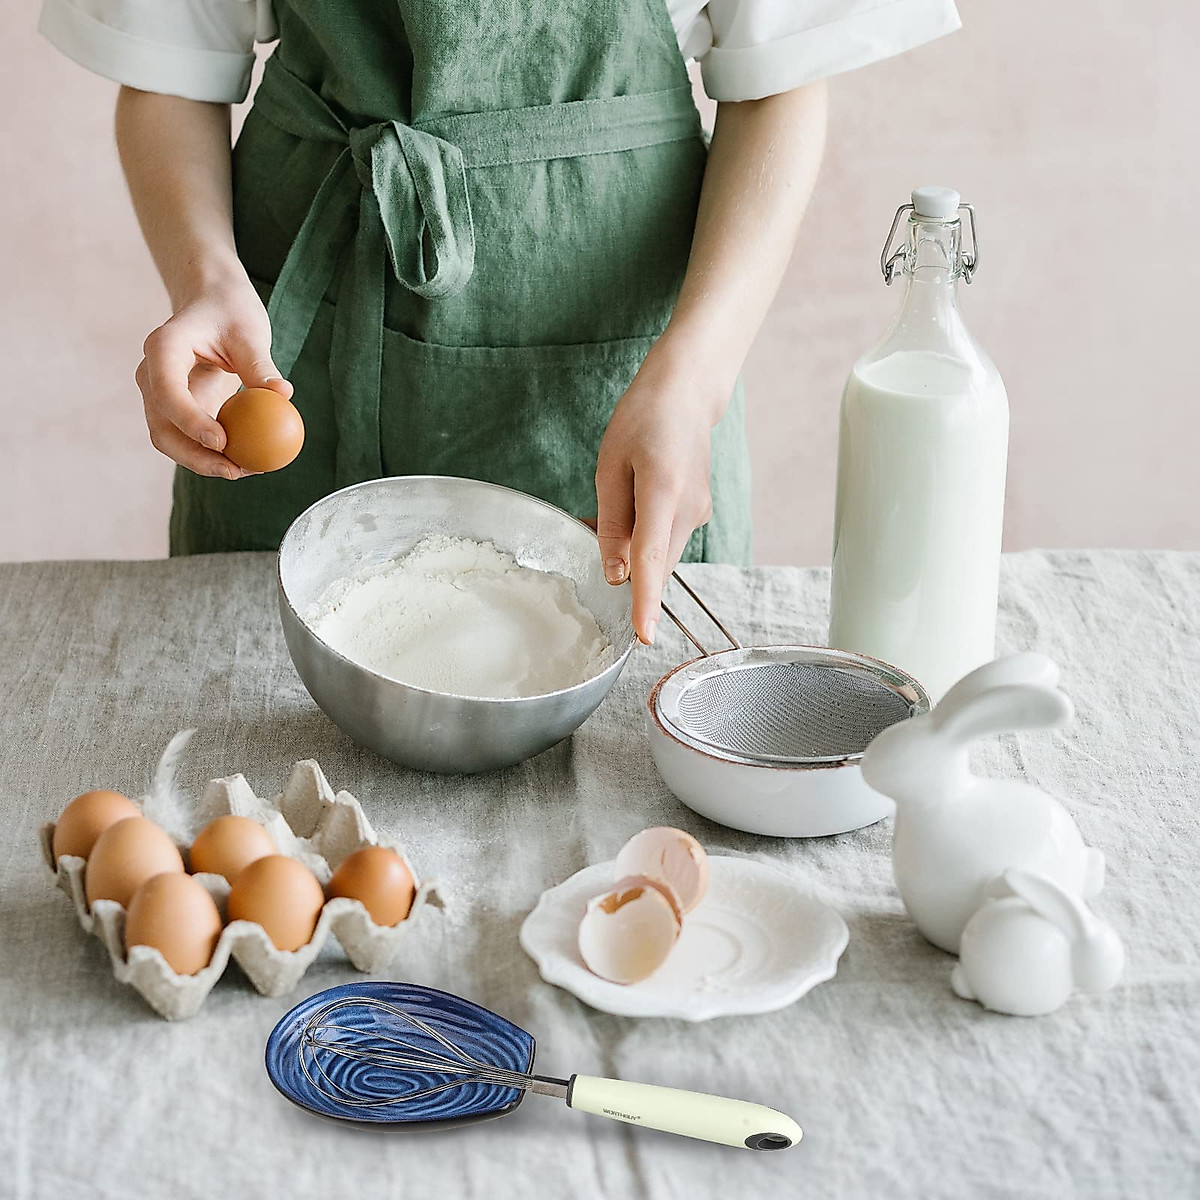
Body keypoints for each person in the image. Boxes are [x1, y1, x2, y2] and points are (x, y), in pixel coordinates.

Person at [40, 0, 960, 644]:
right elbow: (168, 70)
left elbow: (779, 83)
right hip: (300, 341)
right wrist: (205, 280)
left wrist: (696, 374)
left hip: (632, 359)